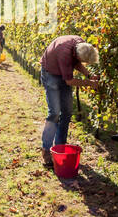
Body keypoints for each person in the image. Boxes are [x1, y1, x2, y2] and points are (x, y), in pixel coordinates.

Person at [39, 35, 100, 167]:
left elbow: (76, 63)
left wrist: (89, 74)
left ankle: (59, 149)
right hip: (51, 73)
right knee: (54, 113)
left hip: (64, 72)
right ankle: (46, 150)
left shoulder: (82, 45)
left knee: (67, 112)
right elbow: (70, 81)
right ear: (77, 55)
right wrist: (89, 83)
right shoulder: (64, 53)